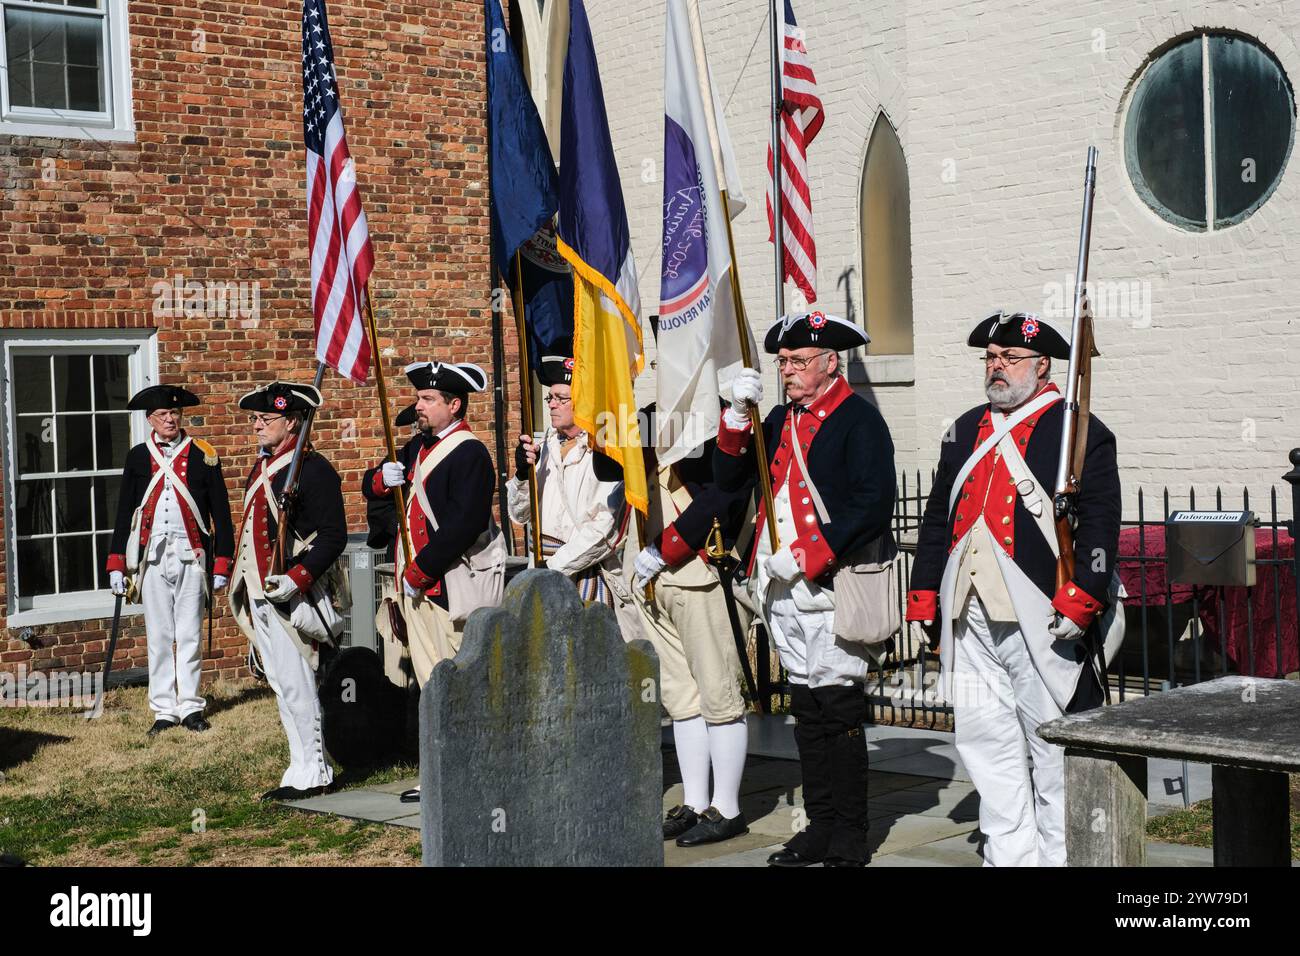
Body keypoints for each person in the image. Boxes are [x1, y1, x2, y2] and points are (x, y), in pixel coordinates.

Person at [906, 311, 1120, 867]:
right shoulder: (965, 428)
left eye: (1010, 358)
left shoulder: (1079, 431)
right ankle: (1008, 856)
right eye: (990, 358)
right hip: (968, 612)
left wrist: (1085, 593)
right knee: (986, 742)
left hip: (1039, 611)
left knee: (1051, 745)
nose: (996, 368)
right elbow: (937, 519)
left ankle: (1059, 857)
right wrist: (925, 592)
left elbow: (1098, 522)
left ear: (1042, 365)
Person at [714, 311, 896, 868]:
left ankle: (849, 833)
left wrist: (807, 554)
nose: (786, 372)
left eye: (797, 362)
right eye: (783, 362)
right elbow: (730, 478)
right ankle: (819, 824)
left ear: (829, 363)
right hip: (784, 589)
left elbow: (873, 504)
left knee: (838, 710)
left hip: (831, 583)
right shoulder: (778, 418)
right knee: (807, 708)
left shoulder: (858, 421)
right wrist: (737, 418)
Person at [369, 361, 504, 804]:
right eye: (419, 398)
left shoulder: (470, 453)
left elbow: (464, 524)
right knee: (430, 685)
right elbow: (373, 487)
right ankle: (440, 773)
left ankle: (474, 773)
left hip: (452, 588)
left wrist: (419, 571)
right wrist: (379, 479)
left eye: (428, 399)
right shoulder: (415, 449)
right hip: (420, 588)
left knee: (460, 684)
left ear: (454, 404)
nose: (419, 406)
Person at [630, 403, 753, 847]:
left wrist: (668, 549)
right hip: (656, 575)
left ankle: (727, 807)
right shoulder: (647, 413)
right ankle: (697, 802)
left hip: (701, 570)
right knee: (682, 699)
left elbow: (726, 493)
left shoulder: (722, 416)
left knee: (718, 694)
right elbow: (614, 471)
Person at [228, 381, 348, 801]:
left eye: (267, 419)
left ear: (292, 421)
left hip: (290, 592)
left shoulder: (313, 470)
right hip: (260, 590)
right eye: (256, 419)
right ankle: (297, 766)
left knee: (297, 681)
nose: (258, 426)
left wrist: (297, 578)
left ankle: (316, 770)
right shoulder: (266, 467)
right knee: (281, 682)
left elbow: (333, 536)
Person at [106, 384, 234, 737]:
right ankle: (164, 709)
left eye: (174, 414)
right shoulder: (137, 456)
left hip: (192, 557)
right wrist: (117, 562)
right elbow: (123, 513)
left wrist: (222, 561)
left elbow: (221, 514)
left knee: (190, 635)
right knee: (159, 636)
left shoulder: (203, 454)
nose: (169, 419)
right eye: (162, 415)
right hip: (151, 558)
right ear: (150, 420)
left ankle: (191, 705)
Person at [506, 355, 640, 640]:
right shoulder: (544, 445)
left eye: (561, 398)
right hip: (544, 571)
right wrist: (521, 475)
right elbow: (519, 515)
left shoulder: (607, 450)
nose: (552, 404)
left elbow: (606, 528)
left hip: (588, 574)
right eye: (550, 398)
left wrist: (554, 568)